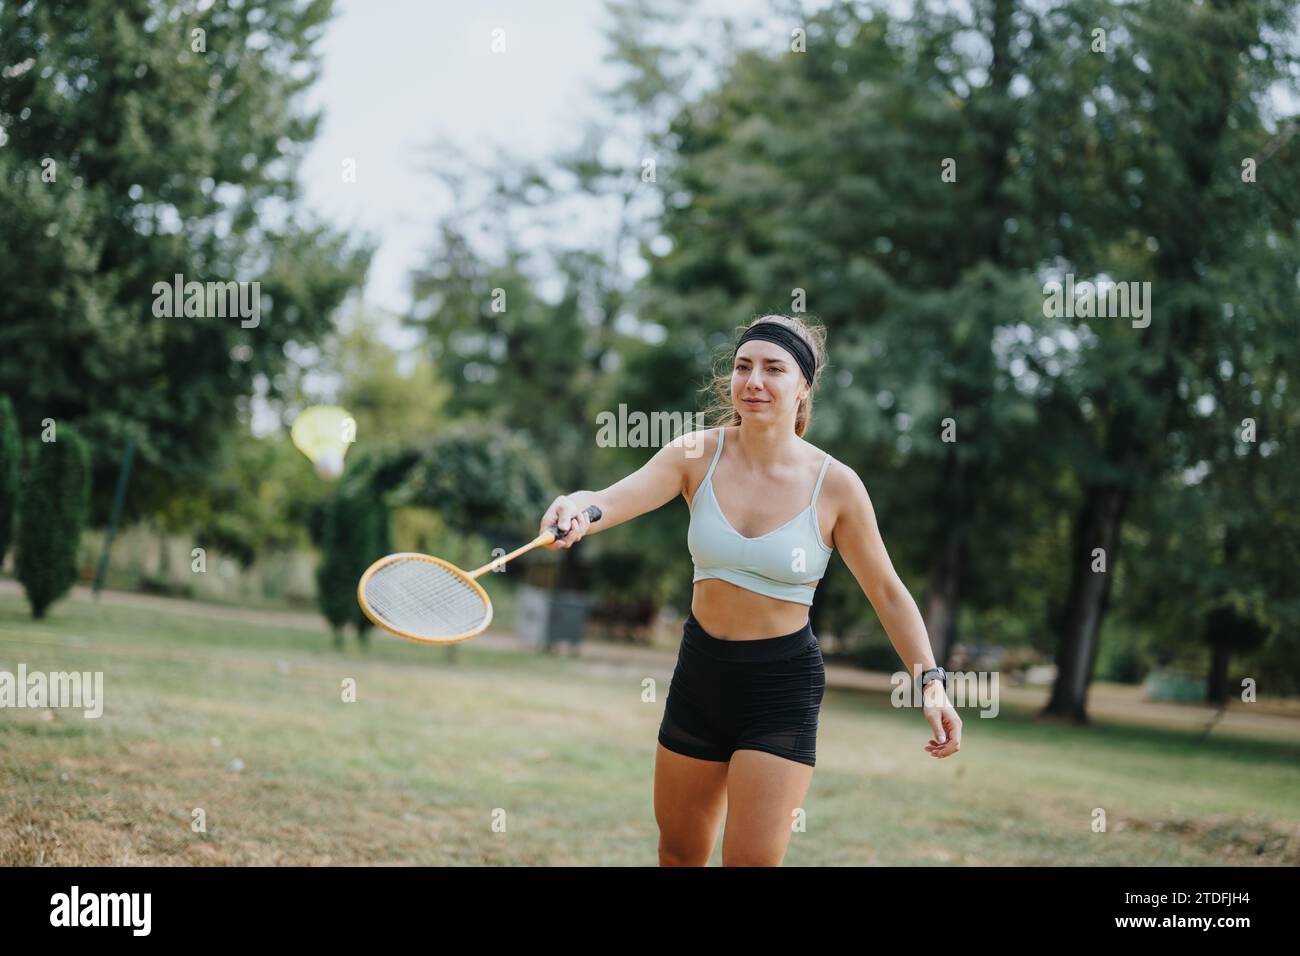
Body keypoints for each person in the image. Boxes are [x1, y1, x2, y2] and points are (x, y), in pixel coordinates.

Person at [538, 314, 961, 866]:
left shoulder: (835, 485)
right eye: (742, 367)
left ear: (802, 386)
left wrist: (930, 681)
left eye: (773, 369)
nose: (753, 381)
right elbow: (613, 500)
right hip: (700, 675)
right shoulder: (697, 454)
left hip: (780, 689)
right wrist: (578, 508)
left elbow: (886, 590)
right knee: (679, 854)